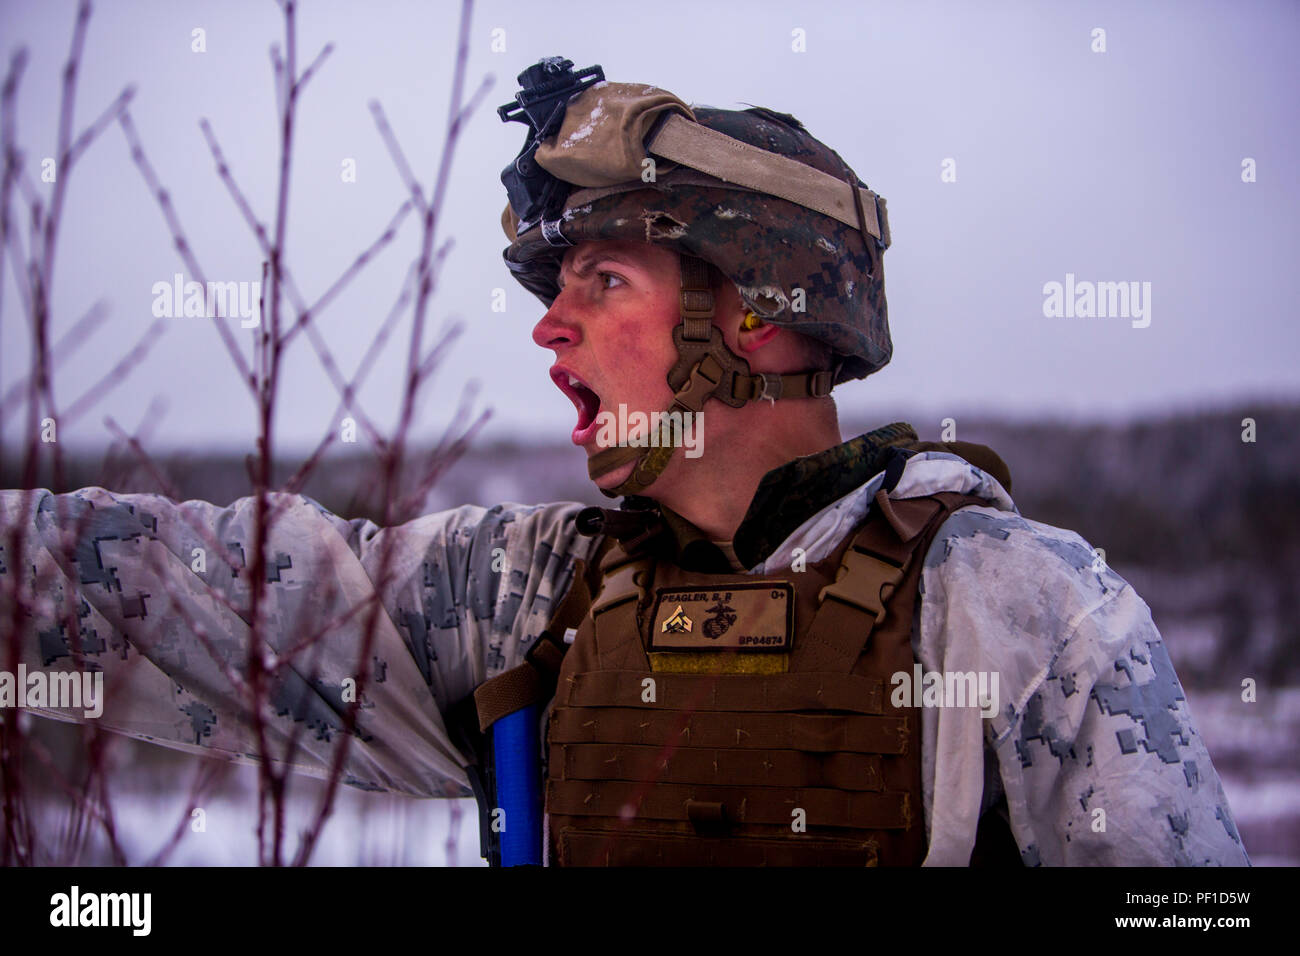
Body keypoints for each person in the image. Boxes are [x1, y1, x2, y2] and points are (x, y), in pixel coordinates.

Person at [0, 58, 1248, 867]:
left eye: (602, 279)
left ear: (754, 314)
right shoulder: (532, 597)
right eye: (554, 289)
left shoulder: (1018, 611)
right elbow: (195, 596)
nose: (551, 323)